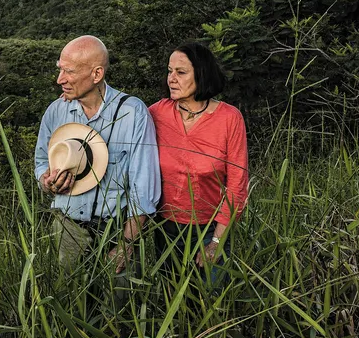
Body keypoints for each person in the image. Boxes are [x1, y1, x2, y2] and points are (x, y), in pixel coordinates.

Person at [35, 35, 161, 281]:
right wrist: (46, 180)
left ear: (97, 74)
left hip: (117, 229)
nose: (60, 80)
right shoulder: (56, 111)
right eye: (60, 70)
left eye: (68, 72)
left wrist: (126, 242)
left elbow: (144, 187)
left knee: (120, 307)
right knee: (75, 305)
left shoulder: (132, 112)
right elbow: (41, 160)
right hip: (68, 228)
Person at [149, 42, 249, 279]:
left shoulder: (229, 118)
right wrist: (80, 96)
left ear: (201, 74)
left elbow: (237, 184)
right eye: (169, 71)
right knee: (171, 300)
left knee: (211, 302)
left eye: (180, 72)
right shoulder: (157, 113)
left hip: (211, 227)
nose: (171, 79)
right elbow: (122, 119)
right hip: (165, 228)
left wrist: (216, 241)